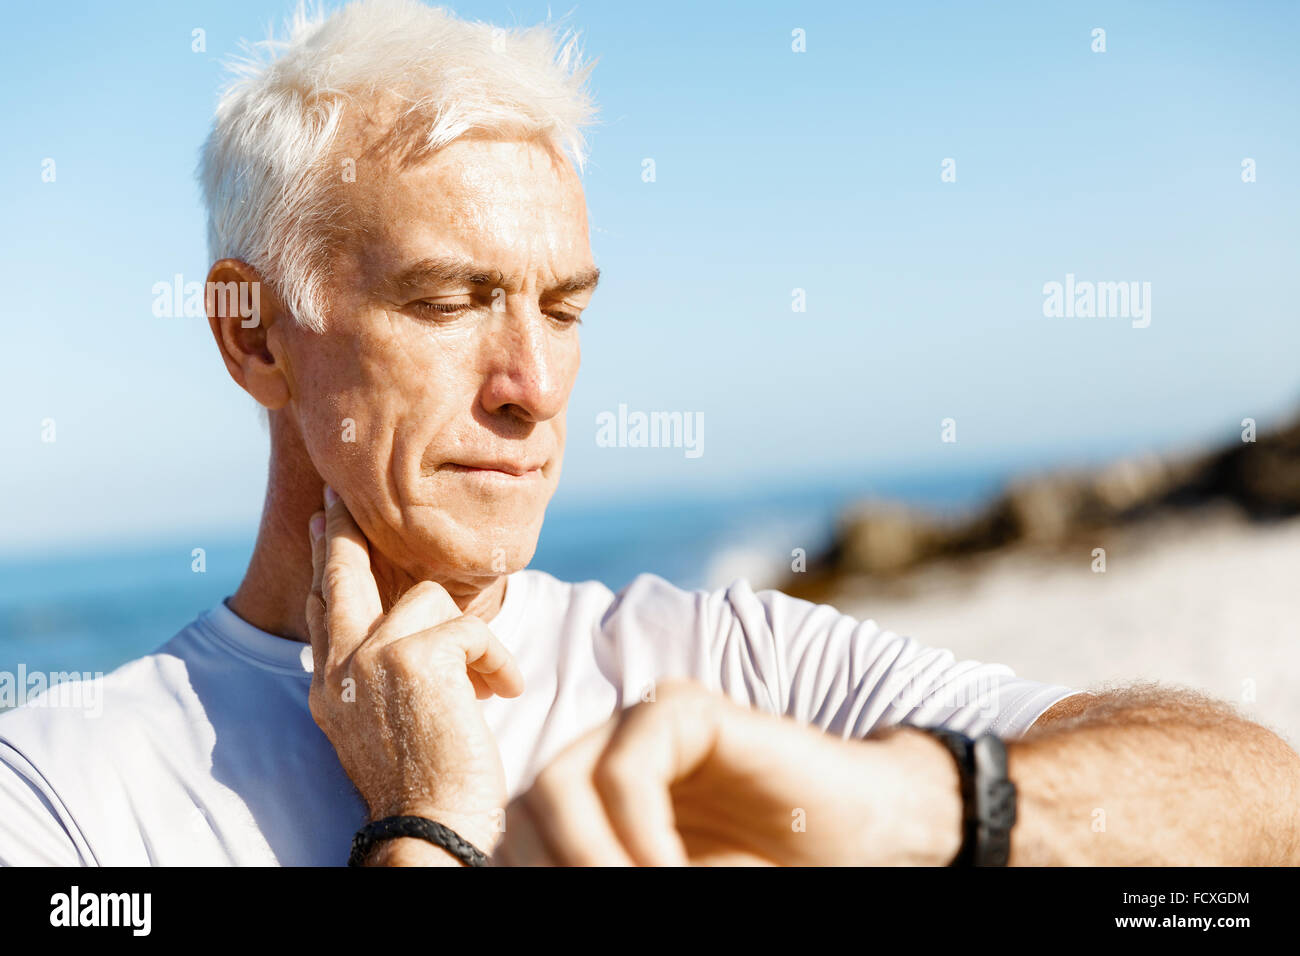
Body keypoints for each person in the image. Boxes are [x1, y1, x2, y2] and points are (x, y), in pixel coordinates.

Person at [2, 0, 1296, 867]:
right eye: (449, 300)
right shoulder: (57, 791)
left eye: (563, 311)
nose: (533, 386)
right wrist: (428, 823)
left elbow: (1258, 806)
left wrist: (905, 804)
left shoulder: (720, 671)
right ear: (252, 335)